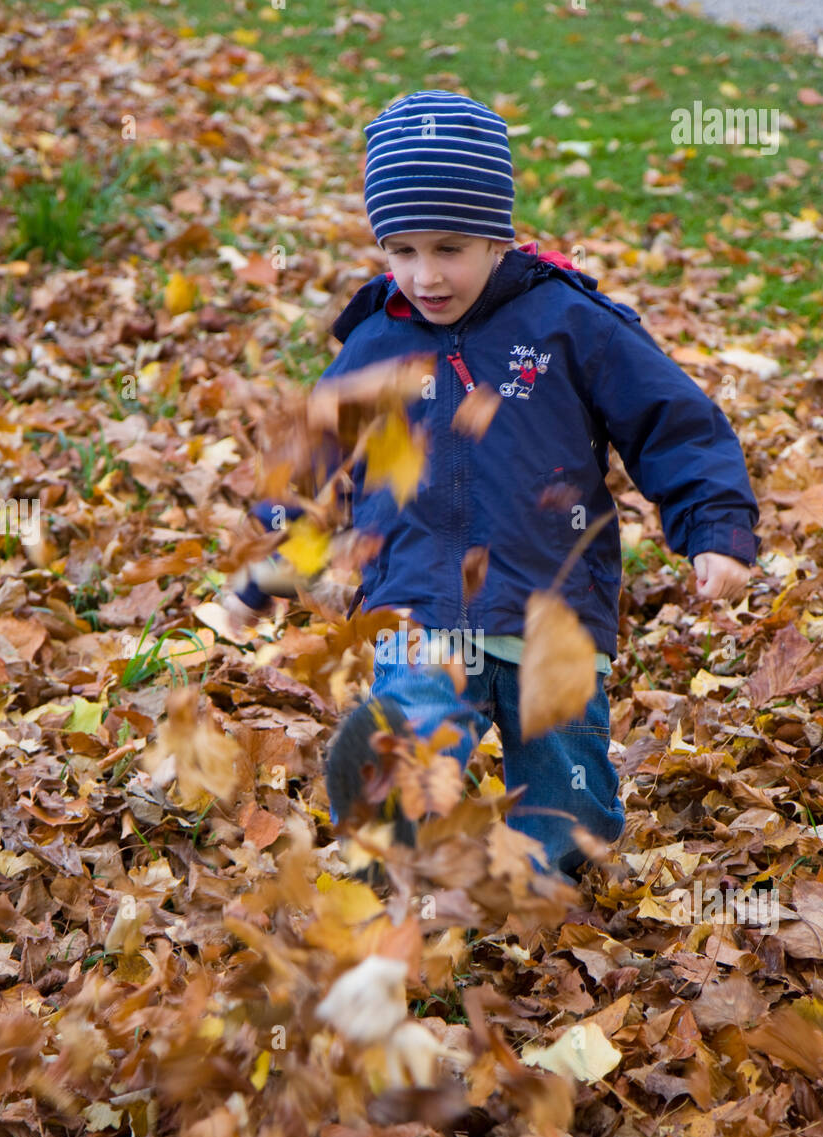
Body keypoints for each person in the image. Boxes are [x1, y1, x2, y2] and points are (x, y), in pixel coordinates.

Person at [225, 89, 760, 883]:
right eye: (401, 250)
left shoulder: (569, 322)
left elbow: (671, 420)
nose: (425, 275)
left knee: (567, 799)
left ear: (498, 236)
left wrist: (714, 527)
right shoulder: (375, 343)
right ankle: (390, 829)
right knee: (416, 723)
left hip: (555, 608)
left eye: (450, 247)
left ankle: (545, 903)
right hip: (420, 600)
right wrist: (274, 565)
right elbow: (318, 469)